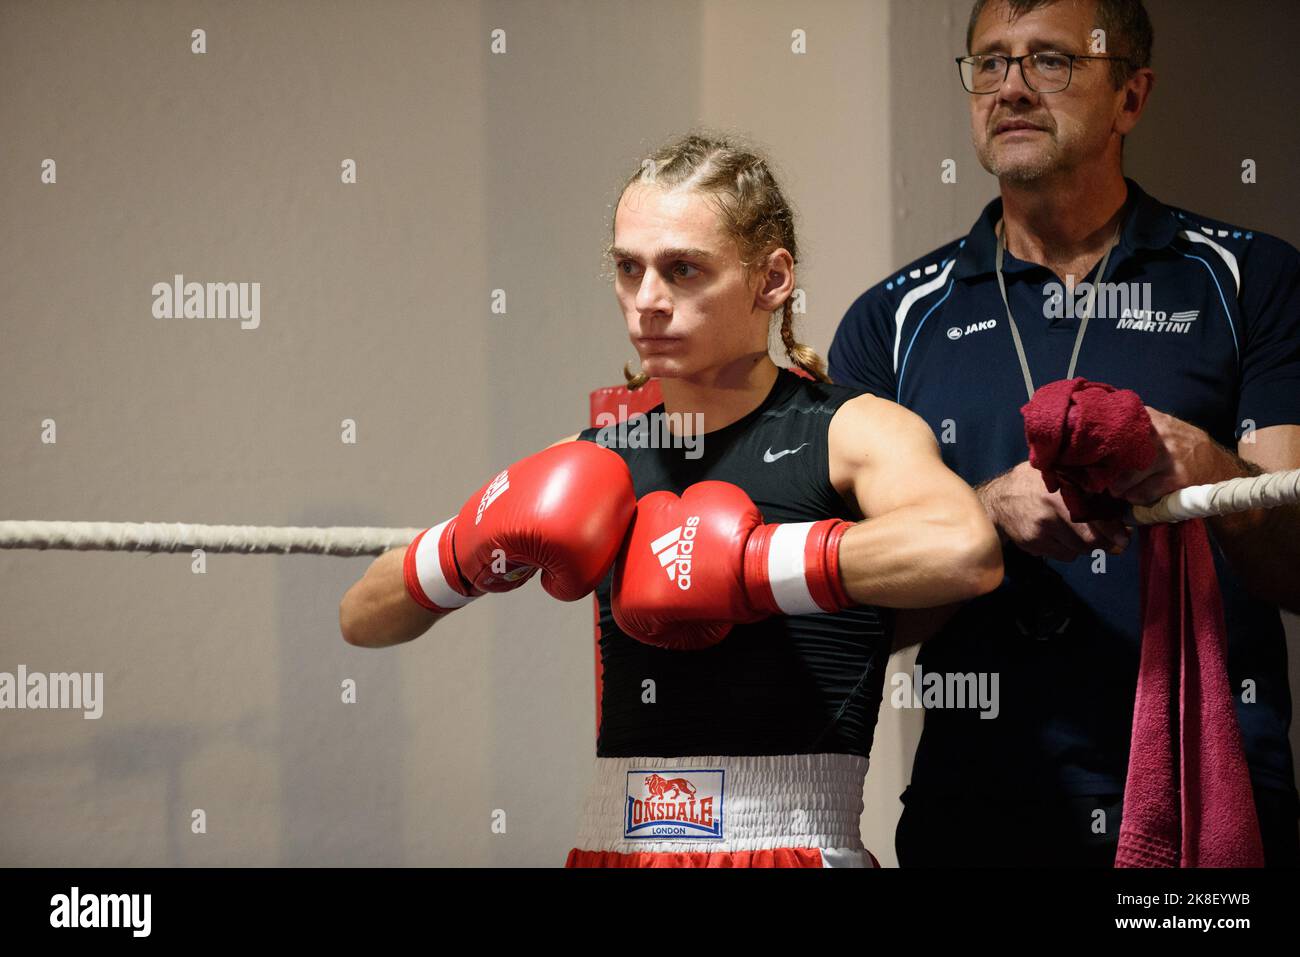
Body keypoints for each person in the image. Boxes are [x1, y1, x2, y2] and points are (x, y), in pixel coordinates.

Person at [339, 131, 1004, 867]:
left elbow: (964, 549)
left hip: (791, 842)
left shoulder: (848, 431)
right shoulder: (595, 459)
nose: (647, 300)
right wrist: (464, 551)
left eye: (683, 269)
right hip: (612, 846)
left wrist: (752, 566)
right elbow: (360, 618)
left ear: (772, 280)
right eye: (630, 269)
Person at [829, 0, 1300, 866]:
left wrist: (1208, 473)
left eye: (1050, 61)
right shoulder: (892, 318)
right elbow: (849, 612)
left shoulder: (1250, 279)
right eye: (990, 63)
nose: (1010, 88)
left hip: (1214, 799)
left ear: (1130, 95)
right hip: (975, 804)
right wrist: (979, 516)